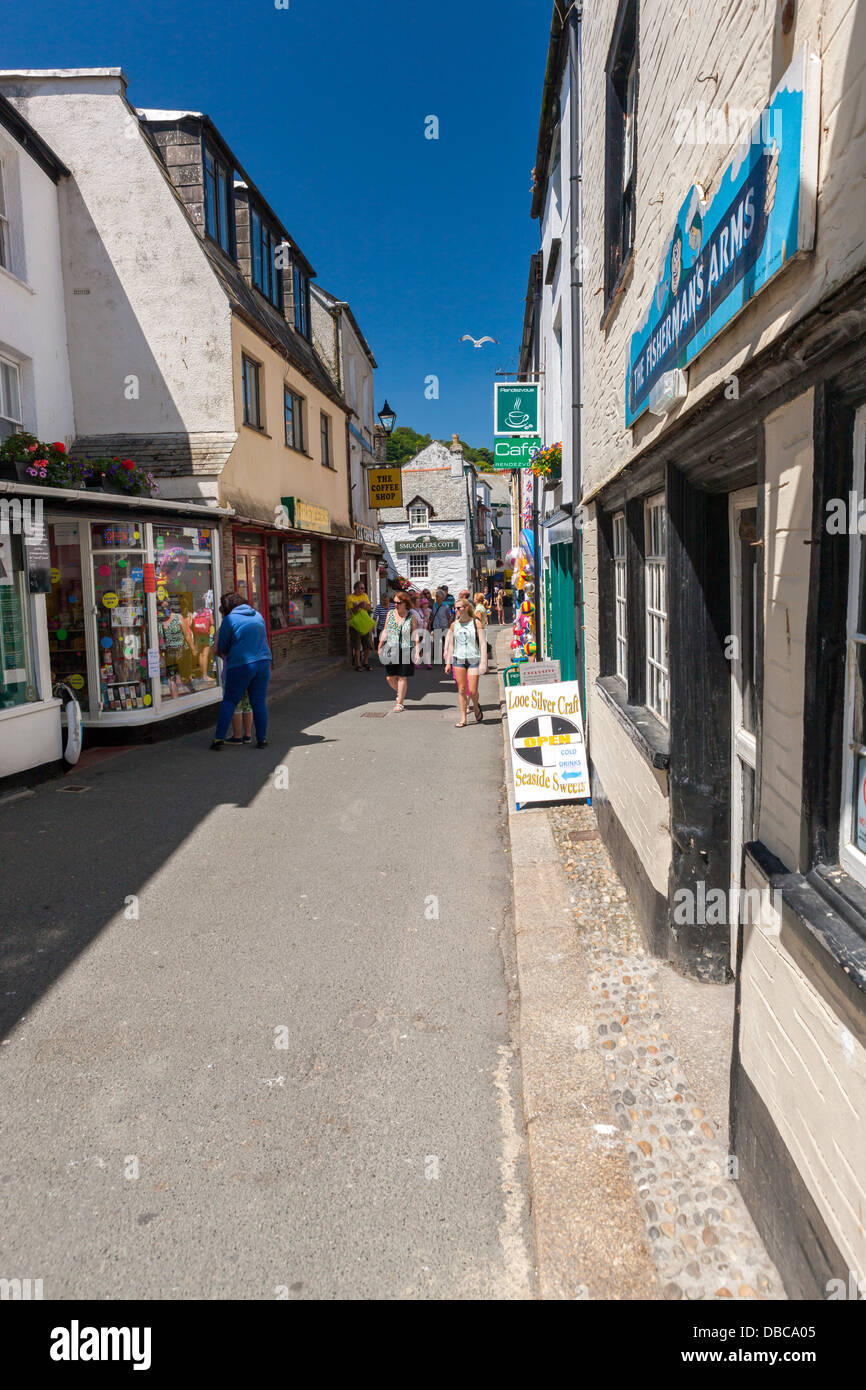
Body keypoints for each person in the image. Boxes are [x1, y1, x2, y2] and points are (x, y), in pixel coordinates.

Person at [212, 591, 272, 749]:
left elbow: (222, 647)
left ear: (227, 607)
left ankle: (219, 739)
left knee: (230, 701)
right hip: (263, 662)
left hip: (241, 664)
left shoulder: (230, 619)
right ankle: (262, 739)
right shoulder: (258, 615)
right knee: (258, 702)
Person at [444, 597, 487, 727]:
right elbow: (451, 644)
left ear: (466, 608)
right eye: (455, 608)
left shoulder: (476, 623)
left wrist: (484, 662)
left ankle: (476, 707)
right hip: (458, 659)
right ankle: (463, 718)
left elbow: (483, 643)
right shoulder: (454, 625)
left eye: (459, 608)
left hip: (474, 659)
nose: (456, 610)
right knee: (462, 689)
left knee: (472, 691)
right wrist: (448, 662)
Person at [378, 590, 418, 713]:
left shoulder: (411, 616)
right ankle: (401, 692)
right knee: (389, 678)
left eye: (398, 603)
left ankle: (399, 703)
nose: (395, 604)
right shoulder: (390, 614)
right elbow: (385, 630)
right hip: (391, 648)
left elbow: (415, 634)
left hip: (406, 648)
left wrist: (417, 650)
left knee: (402, 677)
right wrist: (380, 646)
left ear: (405, 603)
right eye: (394, 602)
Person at [347, 579, 374, 671]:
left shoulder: (365, 596)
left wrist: (364, 606)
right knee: (357, 646)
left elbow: (369, 607)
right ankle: (358, 664)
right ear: (356, 589)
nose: (363, 590)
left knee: (367, 645)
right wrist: (359, 606)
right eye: (361, 588)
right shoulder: (350, 598)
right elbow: (353, 611)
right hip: (355, 625)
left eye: (363, 588)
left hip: (365, 623)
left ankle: (365, 662)